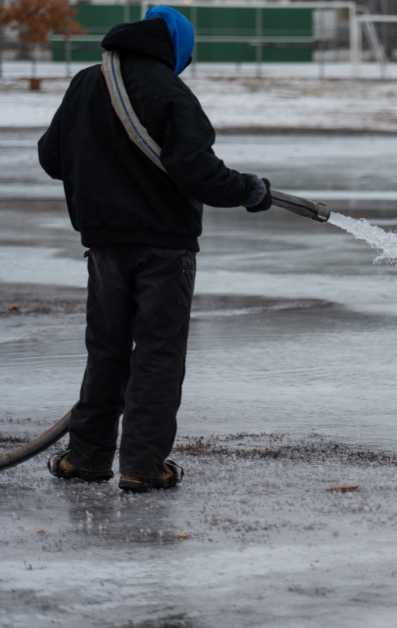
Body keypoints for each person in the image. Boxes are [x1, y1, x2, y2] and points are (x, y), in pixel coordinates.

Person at [37, 7, 274, 492]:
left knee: (106, 351)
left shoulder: (85, 82)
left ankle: (86, 458)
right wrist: (249, 190)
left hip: (103, 244)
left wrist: (101, 172)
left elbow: (50, 156)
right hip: (164, 249)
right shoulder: (170, 92)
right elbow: (199, 172)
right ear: (175, 47)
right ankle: (143, 465)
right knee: (157, 353)